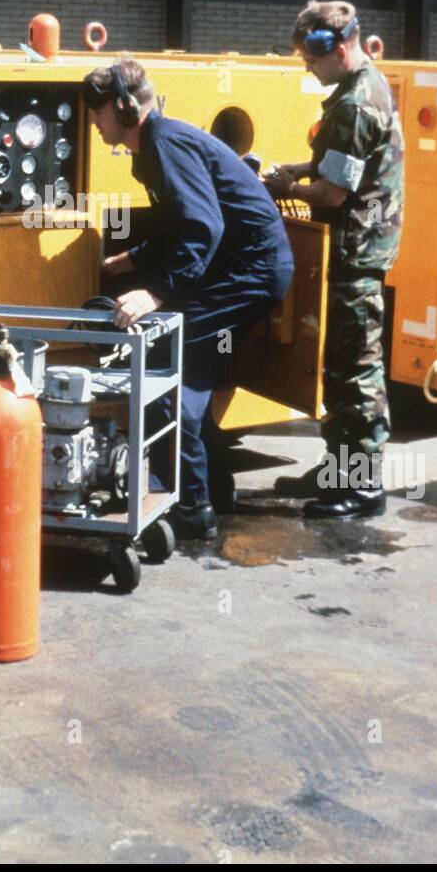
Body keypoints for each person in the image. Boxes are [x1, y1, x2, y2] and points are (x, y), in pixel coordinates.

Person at [82, 57, 294, 540]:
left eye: (97, 115)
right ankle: (212, 493)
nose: (93, 125)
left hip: (249, 272)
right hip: (242, 268)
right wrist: (131, 259)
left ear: (125, 107)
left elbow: (204, 226)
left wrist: (156, 292)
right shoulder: (155, 146)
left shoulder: (167, 145)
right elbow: (183, 223)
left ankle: (191, 507)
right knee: (188, 373)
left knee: (165, 364)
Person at [263, 0, 403, 520]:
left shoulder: (353, 104)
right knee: (340, 367)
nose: (306, 68)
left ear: (338, 50)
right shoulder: (361, 86)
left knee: (356, 372)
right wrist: (301, 167)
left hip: (355, 252)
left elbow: (334, 192)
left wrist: (288, 184)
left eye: (310, 59)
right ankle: (337, 468)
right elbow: (342, 166)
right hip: (355, 250)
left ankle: (362, 485)